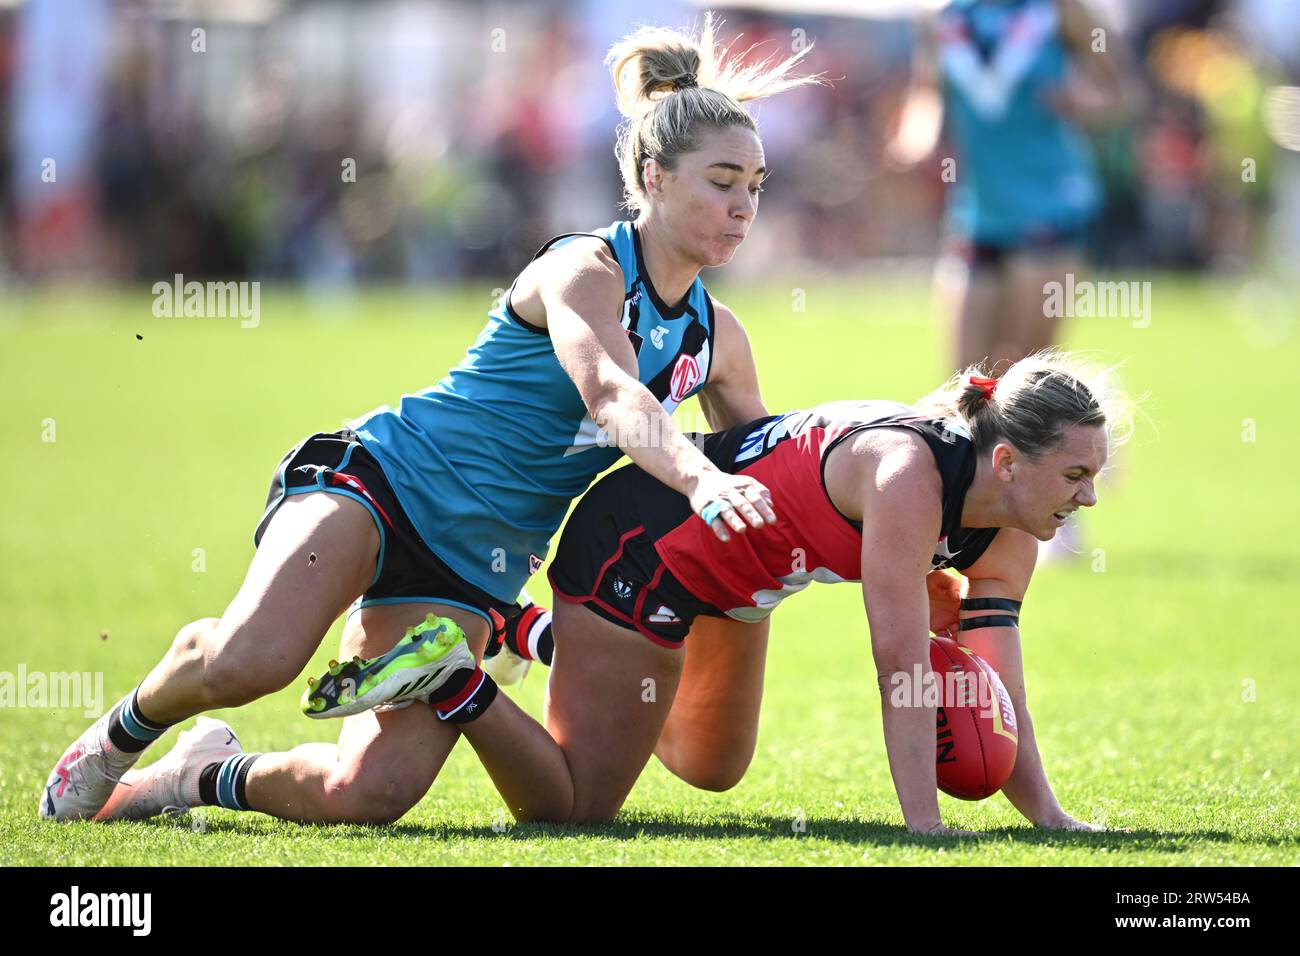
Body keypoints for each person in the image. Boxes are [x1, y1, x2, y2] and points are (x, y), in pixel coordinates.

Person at [43, 14, 822, 825]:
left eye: (756, 186)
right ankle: (115, 741)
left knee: (369, 793)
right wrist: (701, 480)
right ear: (654, 177)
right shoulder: (585, 267)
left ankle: (196, 773)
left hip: (472, 569)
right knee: (253, 661)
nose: (744, 206)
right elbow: (613, 396)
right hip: (385, 481)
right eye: (722, 181)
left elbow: (772, 466)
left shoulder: (718, 339)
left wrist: (848, 537)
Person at [290, 352, 1127, 836]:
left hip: (739, 589)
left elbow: (999, 683)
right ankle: (455, 677)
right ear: (1007, 460)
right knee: (574, 809)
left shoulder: (1016, 525)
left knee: (711, 768)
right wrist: (924, 830)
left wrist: (1048, 816)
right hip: (640, 548)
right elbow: (899, 668)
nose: (1088, 497)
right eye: (1075, 474)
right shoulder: (909, 475)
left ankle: (534, 635)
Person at [889, 0, 1143, 372]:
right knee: (965, 379)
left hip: (1052, 206)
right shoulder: (942, 14)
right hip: (978, 212)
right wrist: (914, 140)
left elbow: (1125, 92)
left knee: (1022, 373)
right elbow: (928, 92)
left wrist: (1087, 103)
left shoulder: (1058, 8)